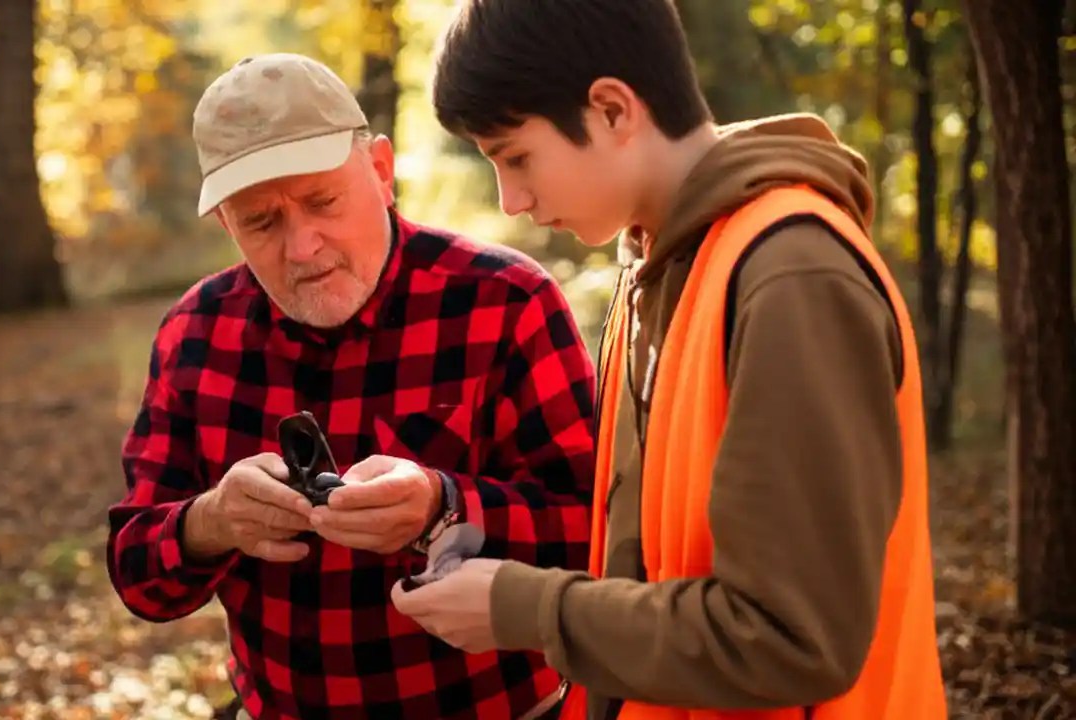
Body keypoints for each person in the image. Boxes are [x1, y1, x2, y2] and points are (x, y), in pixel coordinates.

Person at [391, 2, 948, 718]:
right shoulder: (653, 265)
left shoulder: (793, 279)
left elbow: (791, 640)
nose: (511, 201)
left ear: (613, 110)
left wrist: (527, 609)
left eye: (516, 156)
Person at [105, 52, 596, 720]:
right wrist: (213, 521)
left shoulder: (506, 302)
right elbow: (138, 576)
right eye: (261, 221)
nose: (303, 245)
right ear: (226, 224)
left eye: (323, 201)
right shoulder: (196, 334)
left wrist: (442, 506)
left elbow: (599, 541)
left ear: (383, 171)